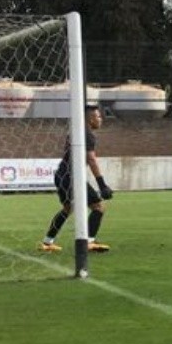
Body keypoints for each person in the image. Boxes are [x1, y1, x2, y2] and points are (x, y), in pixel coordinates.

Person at [39, 103, 113, 253]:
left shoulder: (76, 131)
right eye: (98, 116)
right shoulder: (88, 134)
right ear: (90, 119)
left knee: (68, 208)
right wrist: (102, 185)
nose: (101, 120)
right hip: (72, 177)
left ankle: (47, 242)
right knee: (98, 207)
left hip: (61, 174)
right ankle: (89, 241)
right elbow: (91, 159)